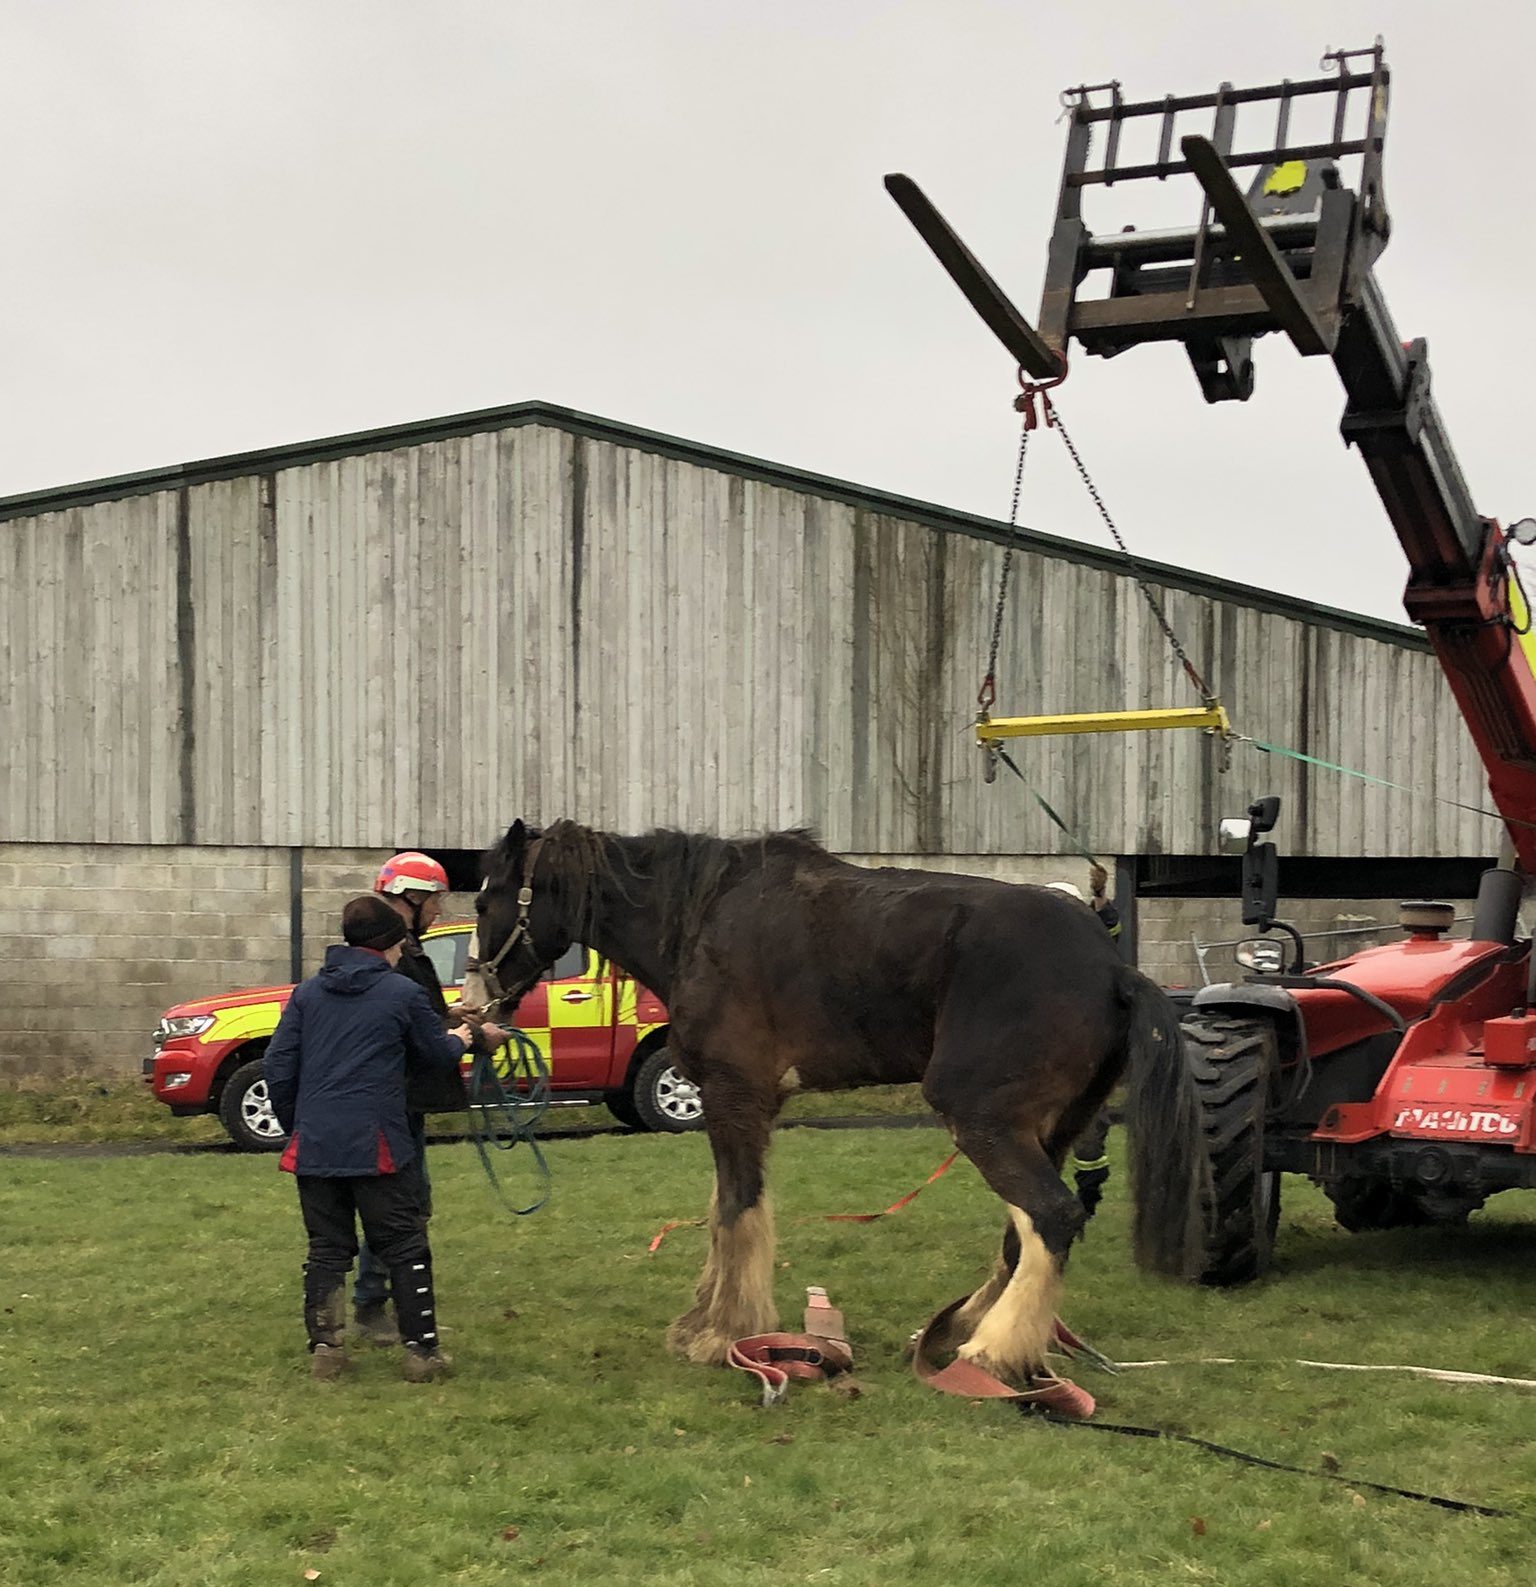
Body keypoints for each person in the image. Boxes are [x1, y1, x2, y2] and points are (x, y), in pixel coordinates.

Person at [264, 894, 478, 1383]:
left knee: (326, 1249)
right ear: (389, 944)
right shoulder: (402, 993)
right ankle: (421, 1352)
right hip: (377, 1141)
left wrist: (298, 1124)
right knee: (404, 1244)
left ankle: (327, 1349)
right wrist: (463, 1040)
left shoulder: (306, 995)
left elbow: (279, 1065)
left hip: (316, 1142)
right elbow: (434, 1054)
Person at [352, 851, 508, 1344]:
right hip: (395, 1099)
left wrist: (453, 1015)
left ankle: (382, 1300)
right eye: (435, 900)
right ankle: (374, 1305)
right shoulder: (396, 957)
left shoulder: (402, 951)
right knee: (403, 1206)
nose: (439, 910)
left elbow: (416, 1017)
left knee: (406, 1203)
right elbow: (410, 1032)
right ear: (410, 898)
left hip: (401, 1098)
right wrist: (476, 1036)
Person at [1049, 862, 1120, 1221]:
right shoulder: (1030, 946)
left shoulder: (1089, 945)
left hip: (1084, 1055)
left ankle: (1088, 1196)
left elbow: (1111, 929)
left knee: (1089, 1137)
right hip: (1044, 1057)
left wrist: (1100, 895)